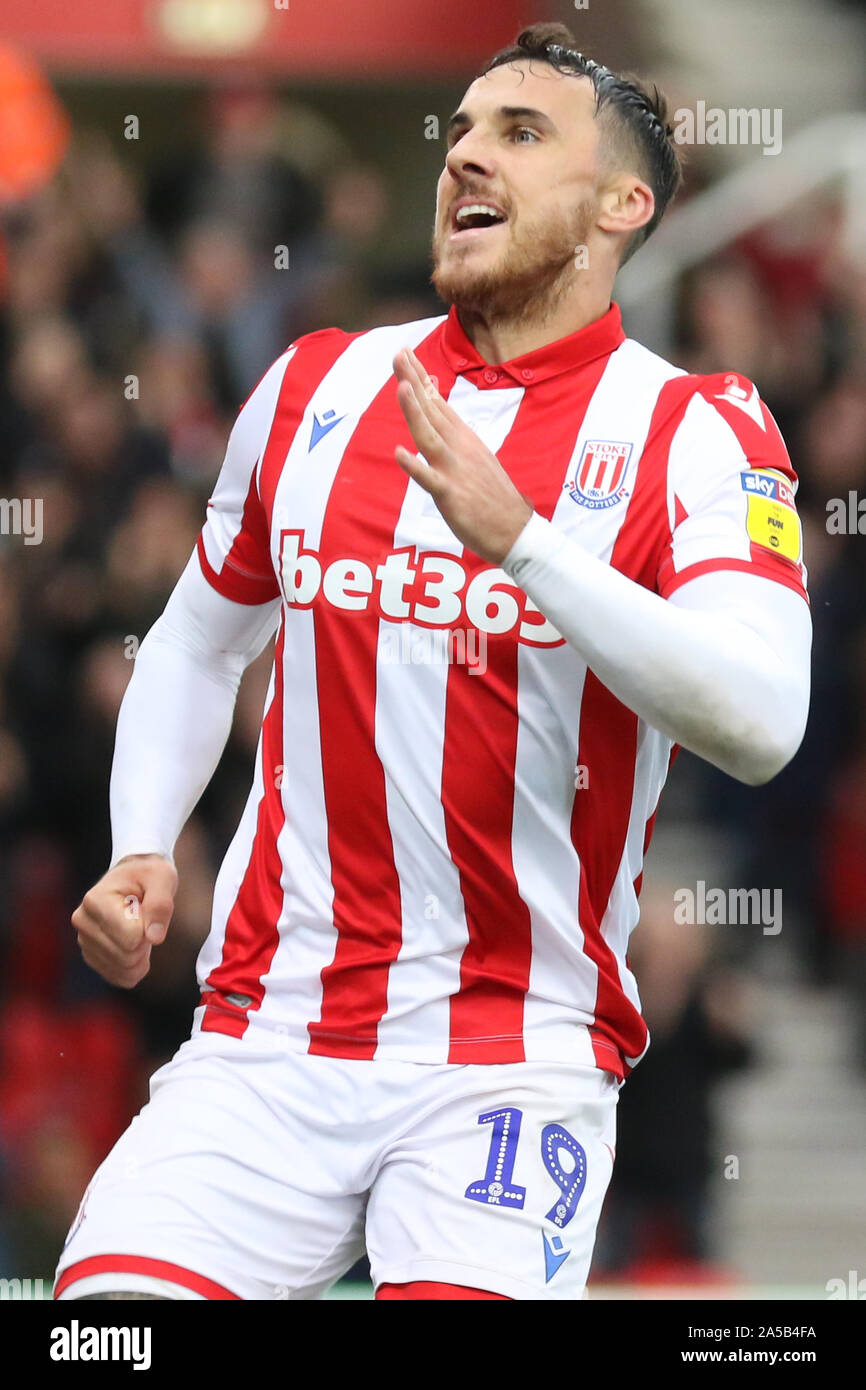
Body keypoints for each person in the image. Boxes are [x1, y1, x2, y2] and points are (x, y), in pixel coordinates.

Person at [54, 21, 811, 1302]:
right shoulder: (316, 386)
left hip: (511, 1062)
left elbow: (759, 718)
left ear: (624, 204)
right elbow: (193, 634)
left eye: (518, 134)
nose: (466, 156)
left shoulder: (695, 426)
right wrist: (142, 839)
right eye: (459, 130)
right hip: (266, 1041)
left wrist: (525, 546)